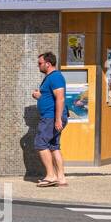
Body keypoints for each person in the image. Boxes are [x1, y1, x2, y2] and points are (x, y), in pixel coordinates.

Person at [31, 51, 68, 187]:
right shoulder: (50, 78)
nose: (38, 66)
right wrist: (39, 96)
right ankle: (61, 178)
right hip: (51, 116)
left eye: (40, 63)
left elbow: (60, 98)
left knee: (40, 144)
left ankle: (51, 176)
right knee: (53, 147)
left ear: (48, 63)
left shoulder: (55, 77)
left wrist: (57, 119)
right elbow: (51, 97)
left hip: (50, 117)